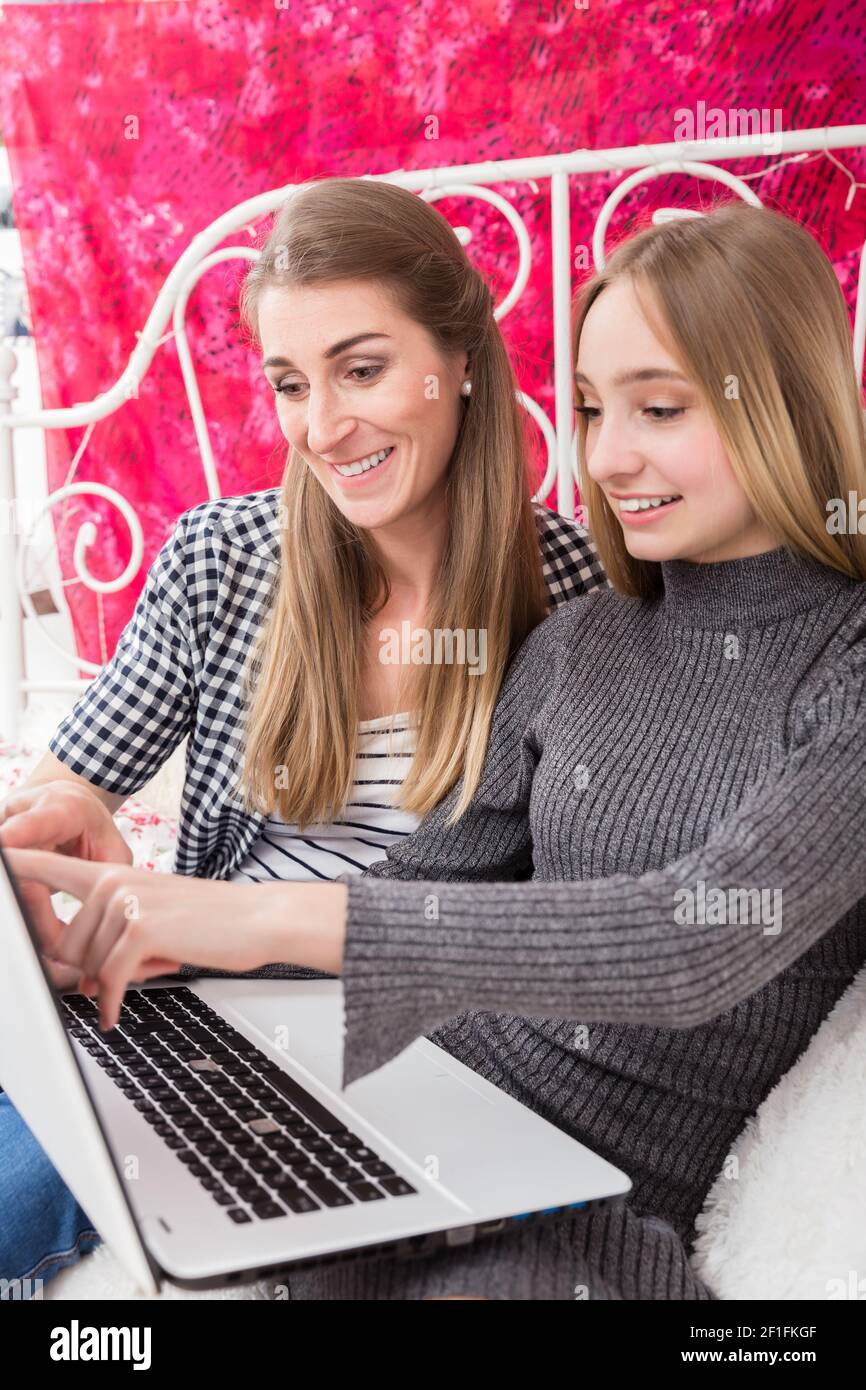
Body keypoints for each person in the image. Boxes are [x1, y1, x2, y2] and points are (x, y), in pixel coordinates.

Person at [0, 177, 603, 1296]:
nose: (321, 428)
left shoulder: (569, 597)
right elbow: (72, 778)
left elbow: (571, 918)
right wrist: (68, 811)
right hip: (187, 1006)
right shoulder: (220, 558)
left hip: (393, 1043)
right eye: (289, 382)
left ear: (459, 357)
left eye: (361, 369)